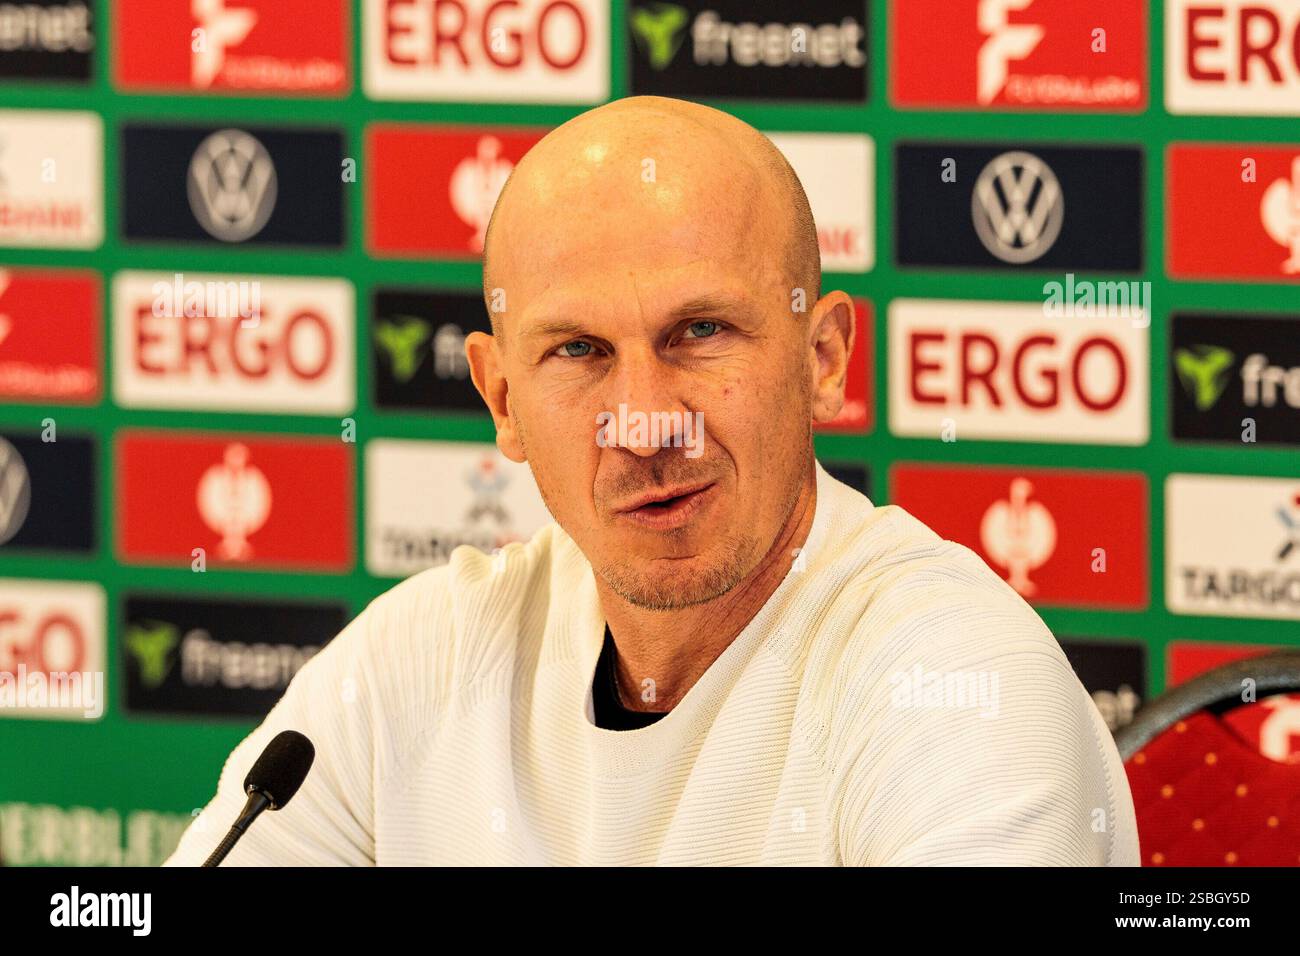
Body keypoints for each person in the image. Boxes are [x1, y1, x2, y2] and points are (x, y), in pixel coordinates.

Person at [164, 95, 1138, 866]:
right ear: (501, 399)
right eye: (579, 350)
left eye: (699, 332)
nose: (643, 421)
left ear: (825, 358)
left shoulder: (956, 686)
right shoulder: (421, 662)